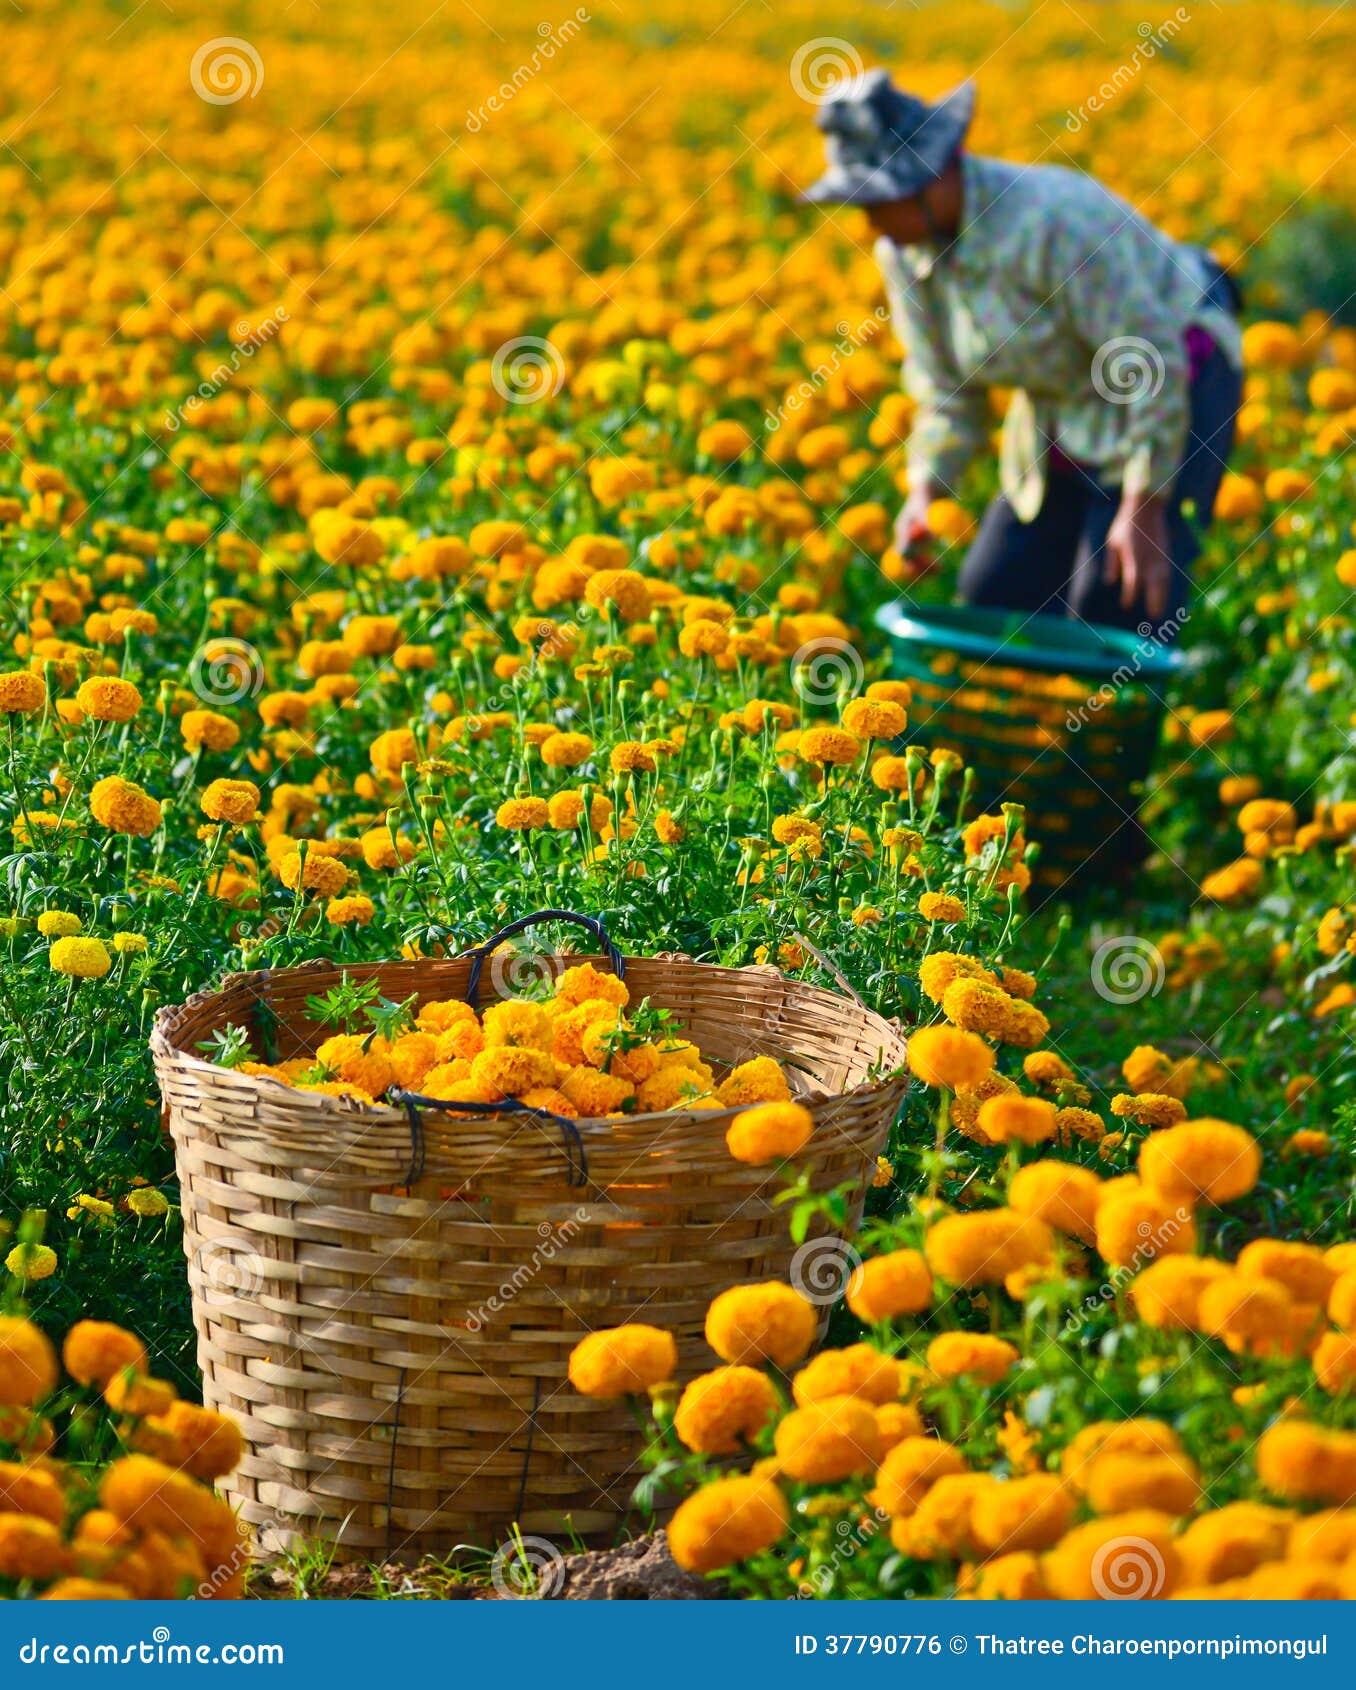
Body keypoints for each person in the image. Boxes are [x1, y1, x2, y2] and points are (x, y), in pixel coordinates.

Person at [802, 68, 1242, 635]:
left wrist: (1147, 502)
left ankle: (1115, 715)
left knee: (1113, 607)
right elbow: (944, 389)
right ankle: (1028, 723)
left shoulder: (1052, 221)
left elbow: (1148, 356)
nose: (869, 221)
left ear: (934, 177)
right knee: (994, 596)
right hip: (1060, 398)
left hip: (1173, 369)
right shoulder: (905, 251)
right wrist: (925, 492)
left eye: (879, 200)